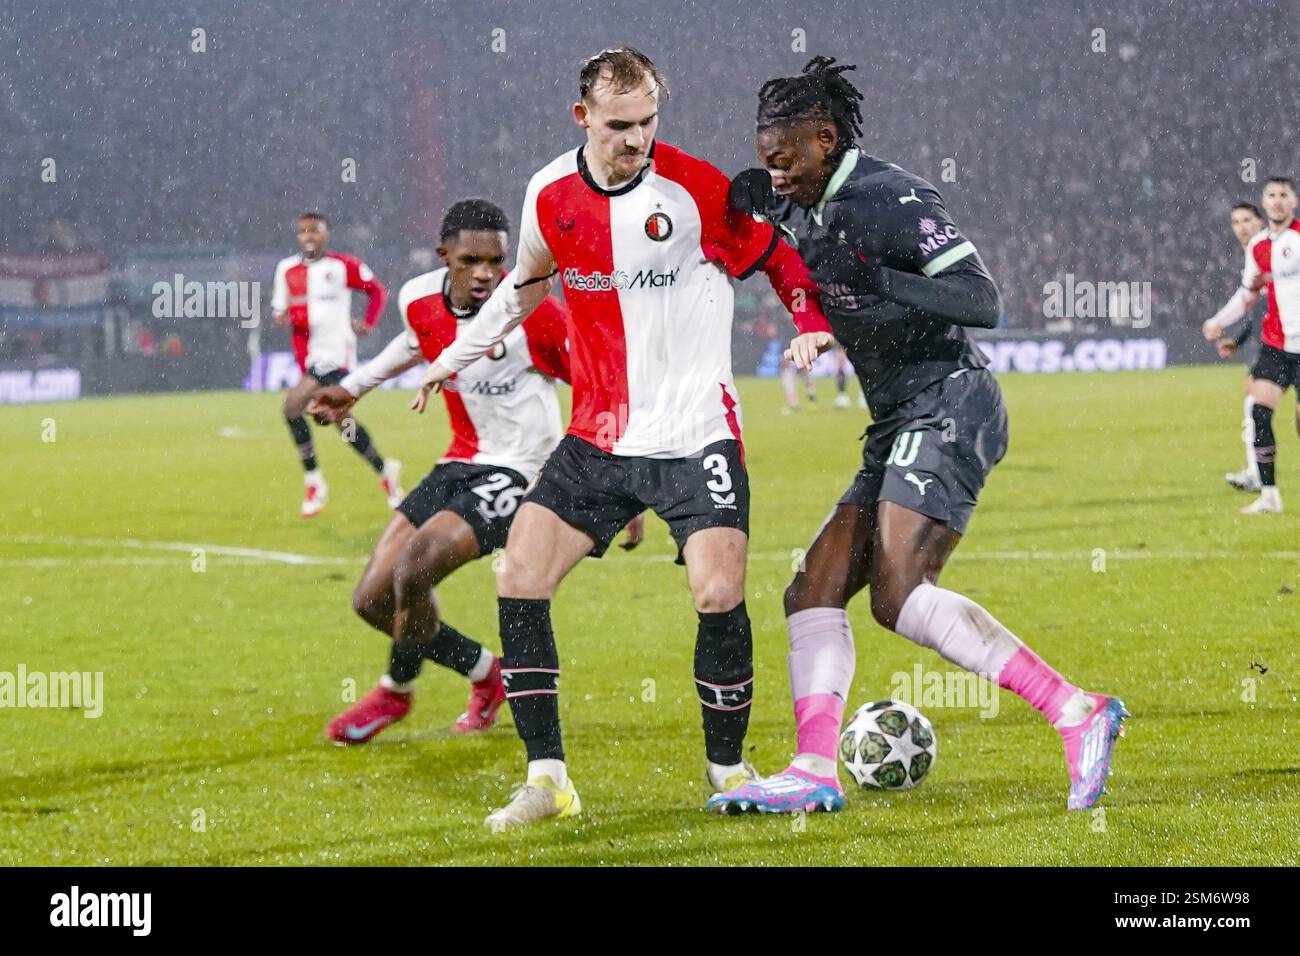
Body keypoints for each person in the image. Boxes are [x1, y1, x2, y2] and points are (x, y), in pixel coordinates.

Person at [413, 48, 833, 831]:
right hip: (599, 435)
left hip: (696, 431)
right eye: (619, 126)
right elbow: (523, 289)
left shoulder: (697, 187)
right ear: (583, 118)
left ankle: (729, 766)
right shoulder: (548, 195)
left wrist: (809, 326)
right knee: (520, 575)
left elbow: (779, 258)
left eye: (648, 123)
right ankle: (548, 779)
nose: (637, 139)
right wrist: (450, 360)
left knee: (716, 591)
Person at [711, 56, 1127, 815]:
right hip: (895, 419)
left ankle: (1076, 709)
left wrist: (879, 280)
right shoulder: (800, 202)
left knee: (899, 592)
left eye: (787, 161)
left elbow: (982, 299)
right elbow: (767, 241)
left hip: (951, 400)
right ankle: (813, 768)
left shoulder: (892, 197)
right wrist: (742, 208)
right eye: (766, 162)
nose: (776, 176)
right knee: (812, 590)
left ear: (826, 139)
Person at [308, 200, 629, 742]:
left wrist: (615, 481)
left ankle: (395, 691)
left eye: (496, 261)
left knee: (417, 565)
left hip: (523, 471)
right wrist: (352, 389)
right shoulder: (417, 298)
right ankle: (487, 673)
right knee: (371, 599)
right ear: (444, 257)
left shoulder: (534, 310)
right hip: (460, 459)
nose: (486, 274)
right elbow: (414, 343)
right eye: (471, 260)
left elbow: (601, 388)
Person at [270, 212, 402, 518]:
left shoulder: (343, 266)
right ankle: (385, 471)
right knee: (341, 421)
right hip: (310, 357)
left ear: (326, 234)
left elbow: (377, 292)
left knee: (292, 407)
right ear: (297, 236)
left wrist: (368, 323)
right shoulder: (286, 270)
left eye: (315, 230)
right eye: (303, 231)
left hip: (337, 354)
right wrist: (281, 317)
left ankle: (314, 480)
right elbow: (281, 308)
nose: (309, 236)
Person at [1203, 179, 1300, 515]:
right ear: (1265, 201)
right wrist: (1218, 320)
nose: (1276, 201)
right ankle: (1269, 494)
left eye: (1283, 195)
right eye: (1271, 195)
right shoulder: (1258, 246)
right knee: (1258, 410)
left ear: (1294, 201)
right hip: (1276, 345)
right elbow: (1248, 295)